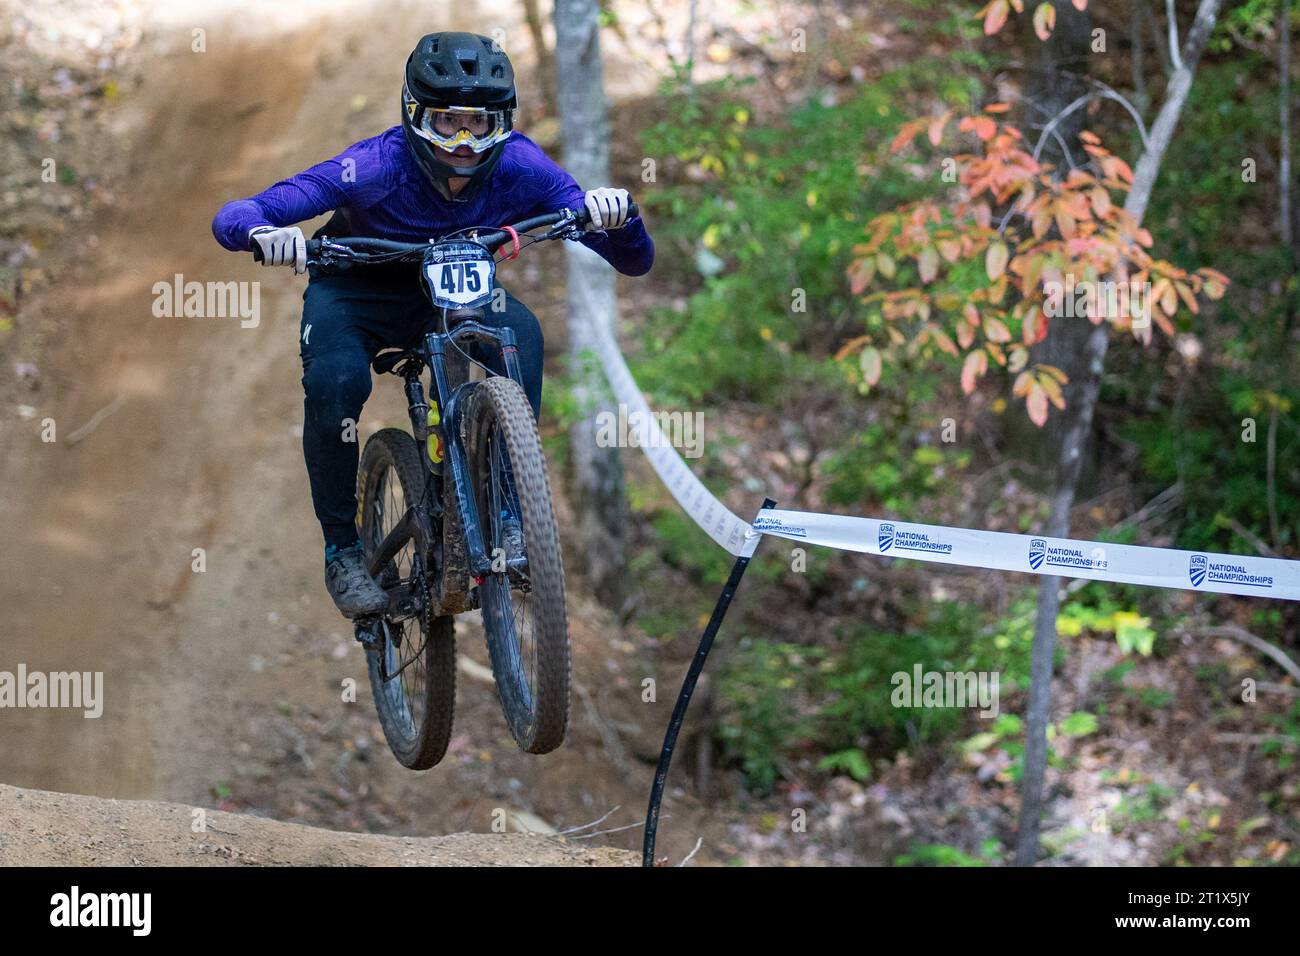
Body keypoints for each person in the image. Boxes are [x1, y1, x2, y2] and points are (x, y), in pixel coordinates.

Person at [212, 31, 653, 617]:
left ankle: (509, 516)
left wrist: (618, 216)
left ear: (506, 121)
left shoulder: (521, 167)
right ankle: (343, 550)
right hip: (356, 291)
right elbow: (240, 212)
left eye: (482, 122)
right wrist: (262, 232)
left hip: (450, 294)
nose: (466, 143)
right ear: (415, 115)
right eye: (448, 123)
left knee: (520, 335)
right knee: (336, 382)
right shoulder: (371, 167)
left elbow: (633, 259)